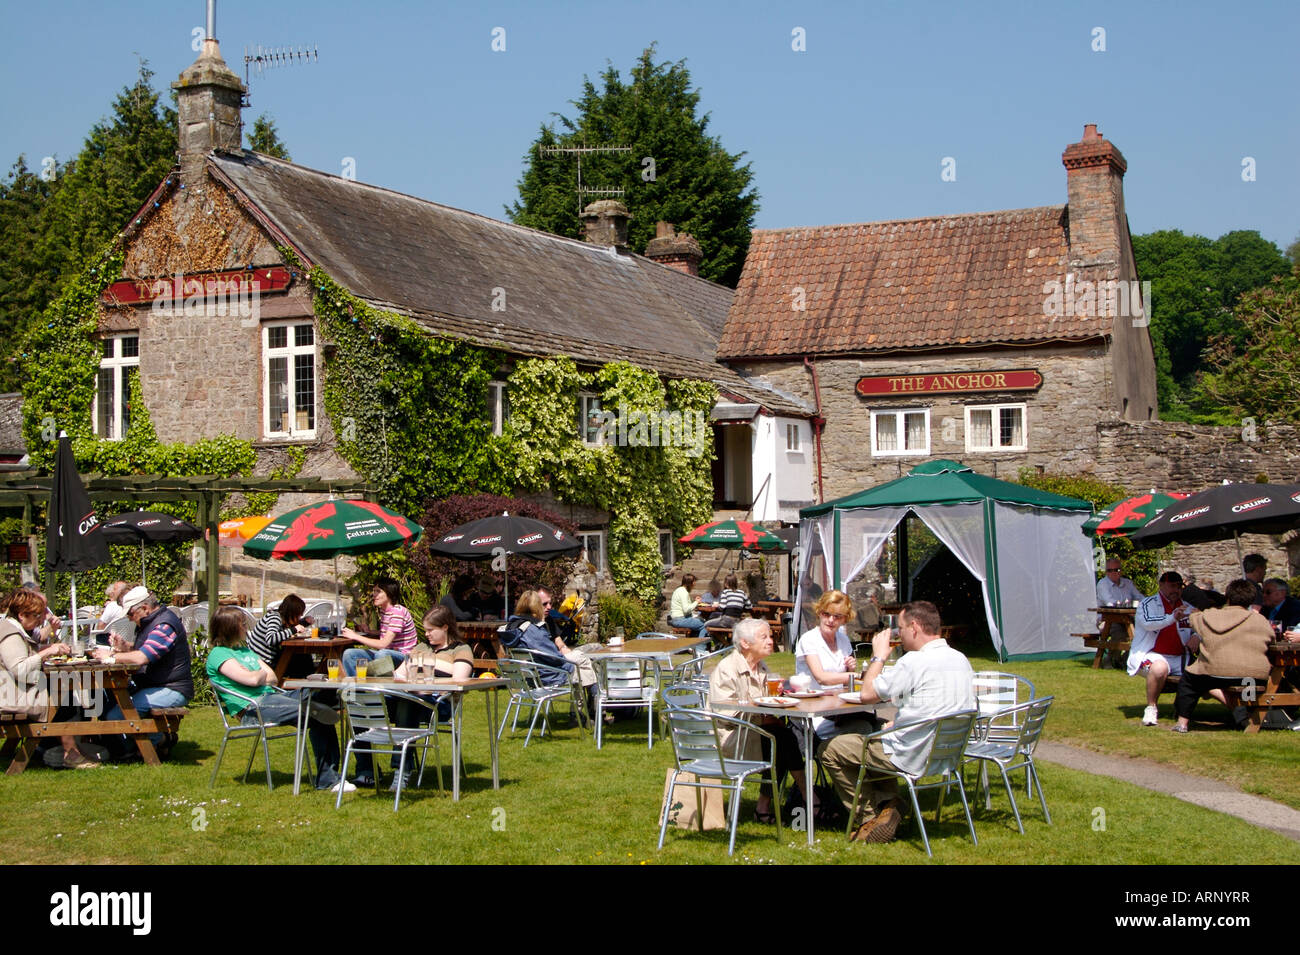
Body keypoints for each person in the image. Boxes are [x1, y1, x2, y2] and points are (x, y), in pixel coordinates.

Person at [821, 600, 975, 843]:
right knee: (879, 738)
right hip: (945, 752)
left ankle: (870, 817)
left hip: (912, 753)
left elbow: (867, 694)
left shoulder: (914, 661)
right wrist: (902, 724)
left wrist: (878, 657)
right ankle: (889, 805)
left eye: (900, 628)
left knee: (830, 749)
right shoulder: (960, 659)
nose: (898, 635)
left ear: (914, 627)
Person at [204, 605, 353, 792]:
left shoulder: (244, 651)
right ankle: (329, 780)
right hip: (252, 708)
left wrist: (255, 675)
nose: (246, 627)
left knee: (322, 692)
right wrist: (258, 675)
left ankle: (338, 707)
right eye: (242, 624)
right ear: (230, 628)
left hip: (273, 696)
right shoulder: (218, 654)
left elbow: (272, 677)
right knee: (313, 710)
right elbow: (253, 679)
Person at [708, 617, 806, 823]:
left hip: (754, 733)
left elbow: (767, 702)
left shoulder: (761, 668)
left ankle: (768, 806)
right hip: (730, 739)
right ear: (745, 643)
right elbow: (724, 713)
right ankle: (808, 798)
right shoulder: (727, 668)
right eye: (764, 637)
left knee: (783, 737)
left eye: (770, 636)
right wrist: (763, 719)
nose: (771, 641)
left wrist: (782, 693)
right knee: (783, 740)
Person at [0, 588, 102, 769]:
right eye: (37, 616)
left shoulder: (13, 628)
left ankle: (69, 750)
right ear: (22, 615)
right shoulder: (11, 635)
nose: (40, 620)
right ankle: (71, 754)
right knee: (64, 702)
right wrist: (47, 652)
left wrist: (46, 651)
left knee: (65, 698)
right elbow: (19, 670)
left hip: (11, 692)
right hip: (10, 698)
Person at [90, 586, 193, 758]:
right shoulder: (152, 621)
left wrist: (112, 656)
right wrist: (126, 647)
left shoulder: (164, 625)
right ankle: (142, 744)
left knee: (119, 714)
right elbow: (147, 650)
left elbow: (142, 657)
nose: (129, 619)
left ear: (144, 608)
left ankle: (158, 741)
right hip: (156, 685)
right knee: (111, 703)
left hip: (173, 688)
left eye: (130, 614)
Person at [1173, 579, 1273, 733]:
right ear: (1251, 600)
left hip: (1214, 671)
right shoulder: (1260, 620)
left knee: (1188, 681)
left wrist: (1195, 613)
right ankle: (1245, 715)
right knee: (1240, 684)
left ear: (1227, 597)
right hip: (1253, 675)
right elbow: (1271, 637)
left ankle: (1182, 723)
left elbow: (1193, 619)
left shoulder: (1209, 616)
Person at [1128, 571, 1192, 726]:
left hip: (1181, 657)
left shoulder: (1188, 606)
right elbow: (1148, 623)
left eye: (1179, 586)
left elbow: (1199, 624)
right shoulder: (1147, 604)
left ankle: (1239, 712)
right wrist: (1172, 618)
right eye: (1172, 586)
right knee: (1159, 668)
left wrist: (1196, 635)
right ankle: (1151, 707)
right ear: (1161, 585)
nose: (1175, 590)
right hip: (1152, 654)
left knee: (1204, 673)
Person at [340, 577, 417, 676]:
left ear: (389, 593)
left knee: (382, 654)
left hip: (404, 657)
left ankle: (383, 685)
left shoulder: (398, 612)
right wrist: (370, 632)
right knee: (349, 654)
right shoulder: (384, 611)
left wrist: (355, 636)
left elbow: (383, 644)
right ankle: (357, 684)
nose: (374, 594)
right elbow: (389, 633)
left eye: (378, 591)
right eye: (374, 591)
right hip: (387, 652)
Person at [245, 593, 309, 675]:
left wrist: (304, 622)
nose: (300, 616)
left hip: (265, 659)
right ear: (291, 613)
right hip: (262, 662)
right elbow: (271, 639)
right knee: (301, 661)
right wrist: (294, 629)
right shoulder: (274, 618)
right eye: (299, 614)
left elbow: (289, 626)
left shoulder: (280, 617)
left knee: (302, 658)